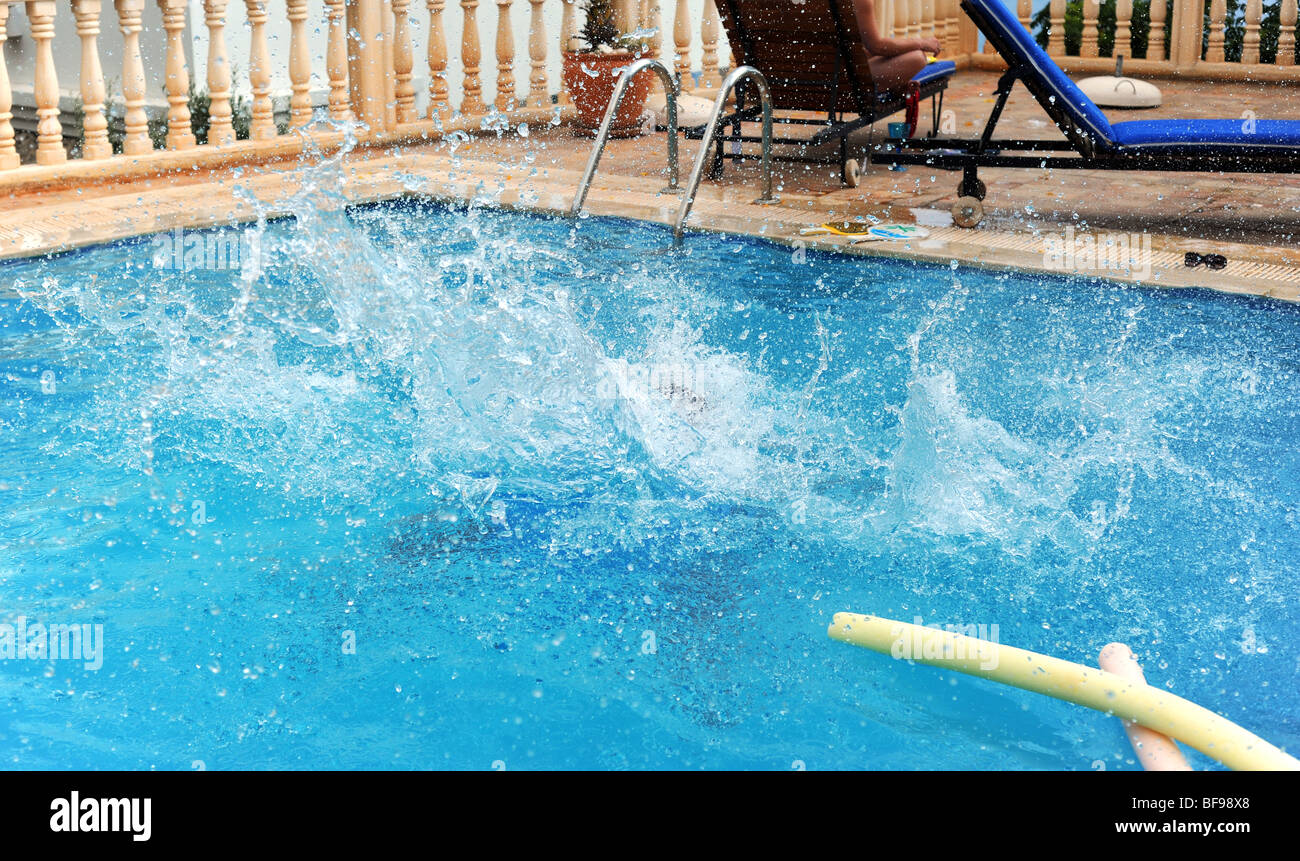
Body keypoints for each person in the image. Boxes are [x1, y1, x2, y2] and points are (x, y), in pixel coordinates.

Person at [850, 0, 943, 96]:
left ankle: (890, 86)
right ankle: (884, 88)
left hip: (839, 78)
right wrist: (922, 43)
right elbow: (877, 46)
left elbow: (861, 50)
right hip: (847, 82)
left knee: (904, 55)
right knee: (917, 58)